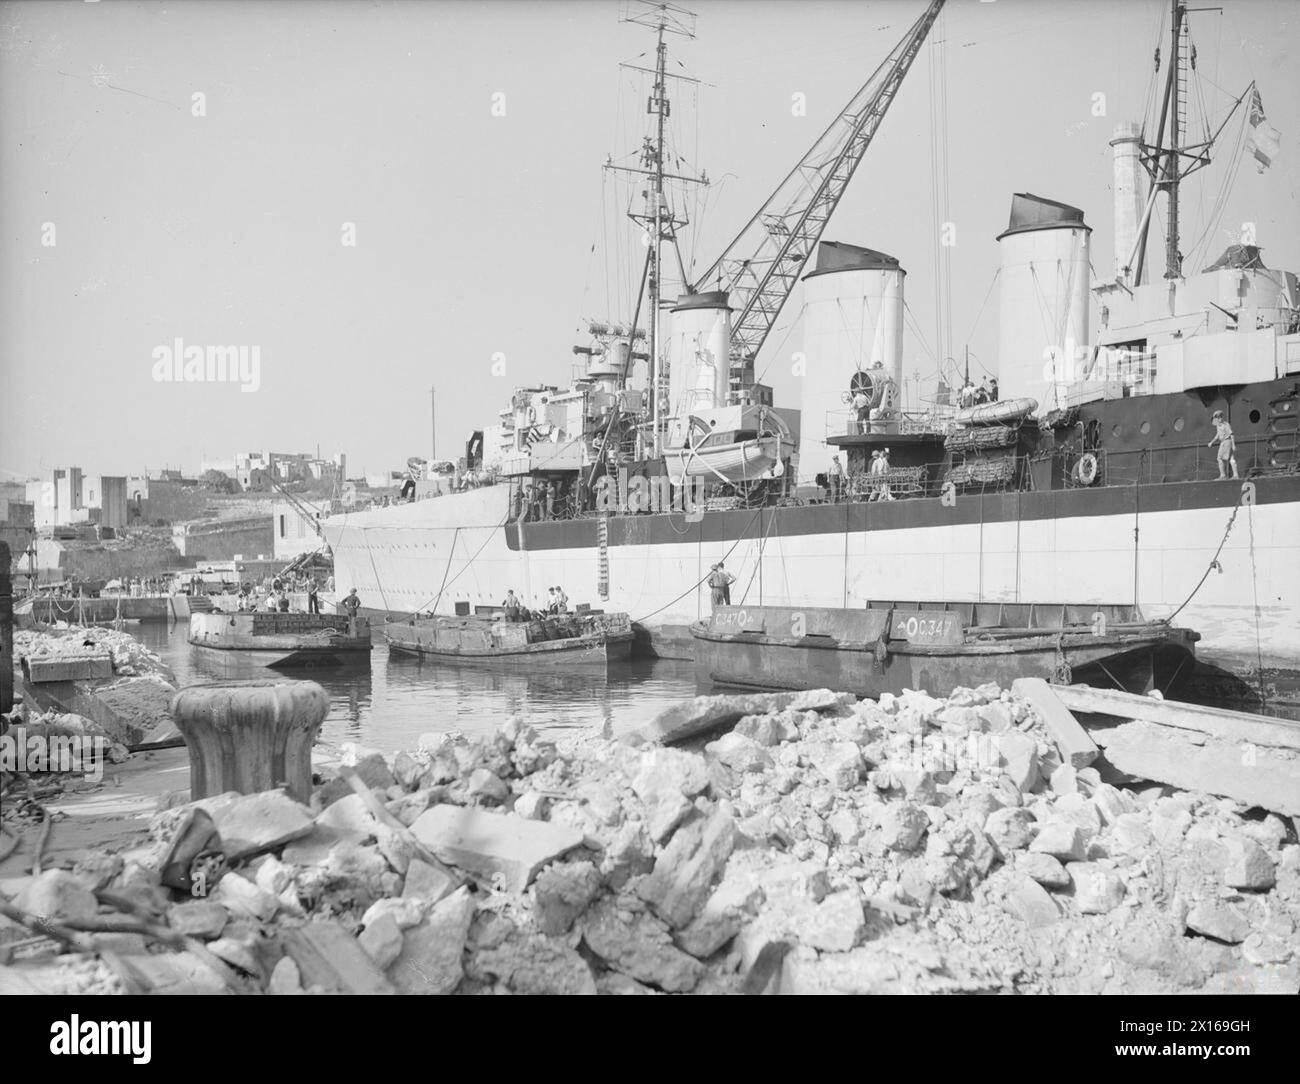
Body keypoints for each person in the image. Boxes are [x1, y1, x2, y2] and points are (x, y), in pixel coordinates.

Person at [1208, 410, 1238, 479]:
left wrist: (1233, 445)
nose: (1219, 419)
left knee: (1219, 458)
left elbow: (1231, 434)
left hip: (1226, 442)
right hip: (1225, 442)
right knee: (1231, 459)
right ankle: (1236, 475)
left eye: (1220, 417)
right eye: (1217, 417)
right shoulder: (1218, 426)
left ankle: (1223, 475)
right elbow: (1217, 435)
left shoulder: (1225, 425)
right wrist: (1211, 442)